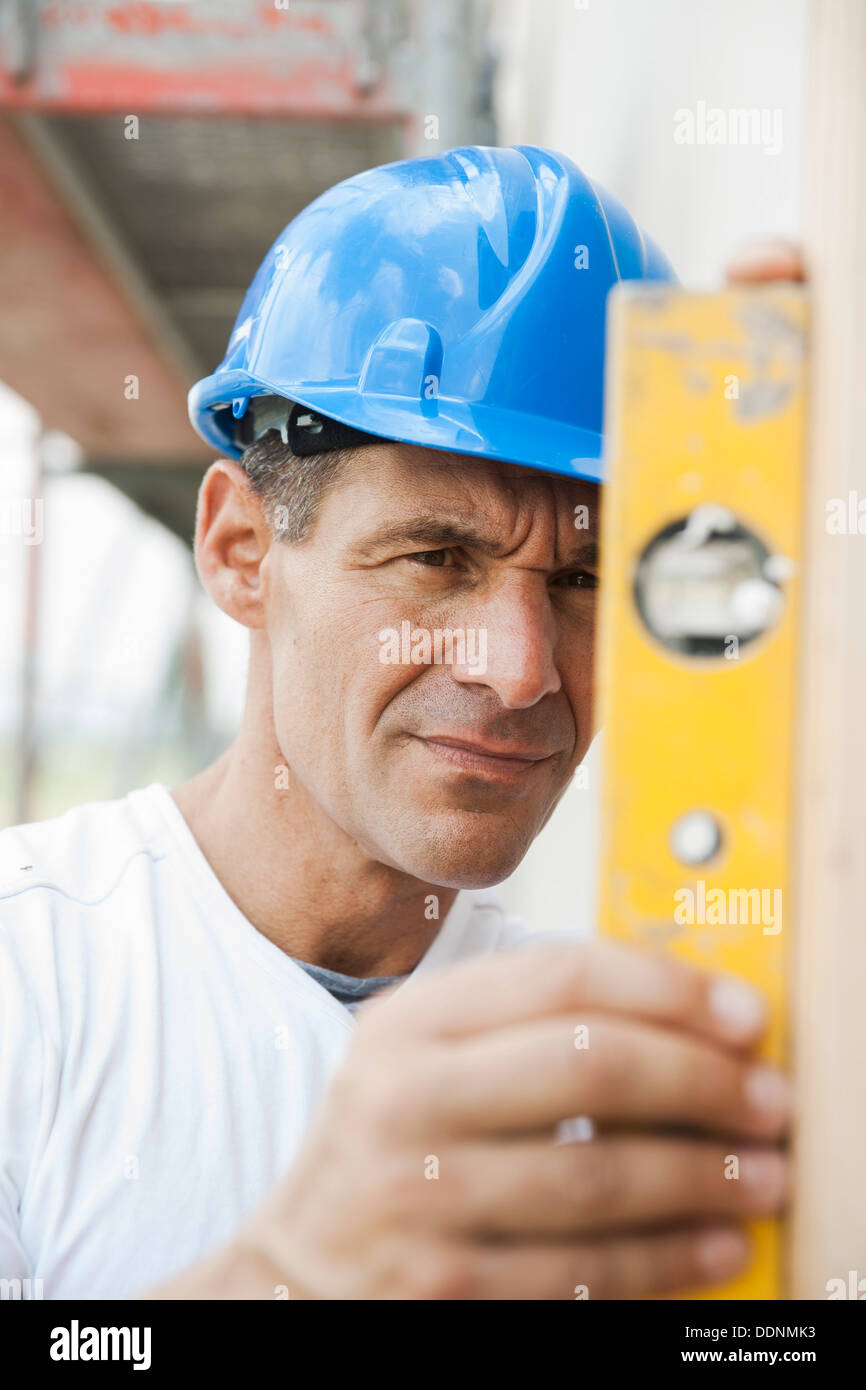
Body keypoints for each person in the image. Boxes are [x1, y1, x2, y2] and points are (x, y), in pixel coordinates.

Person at [0, 146, 797, 1300]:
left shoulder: (610, 1068)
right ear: (239, 551)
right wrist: (286, 1272)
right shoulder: (31, 974)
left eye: (580, 581)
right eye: (435, 558)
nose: (523, 672)